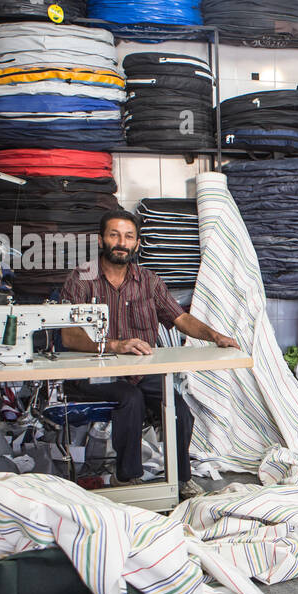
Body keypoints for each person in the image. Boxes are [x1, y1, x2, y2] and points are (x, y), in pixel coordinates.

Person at [60, 209, 239, 498]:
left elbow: (180, 318)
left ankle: (181, 480)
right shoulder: (81, 280)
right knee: (130, 400)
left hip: (141, 371)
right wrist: (114, 345)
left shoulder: (148, 281)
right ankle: (127, 479)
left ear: (137, 243)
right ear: (101, 239)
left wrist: (214, 335)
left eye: (129, 236)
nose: (122, 242)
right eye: (114, 235)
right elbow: (68, 336)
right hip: (97, 372)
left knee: (179, 409)